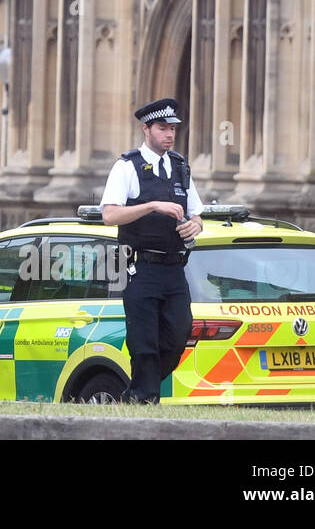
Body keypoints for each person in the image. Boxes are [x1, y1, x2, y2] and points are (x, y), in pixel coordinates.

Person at [100, 98, 204, 403]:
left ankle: (136, 391)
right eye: (162, 128)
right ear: (146, 130)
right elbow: (110, 215)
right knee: (144, 342)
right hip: (140, 268)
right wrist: (151, 206)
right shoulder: (127, 167)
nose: (169, 134)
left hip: (174, 268)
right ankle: (145, 400)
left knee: (177, 335)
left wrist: (195, 225)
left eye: (172, 128)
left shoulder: (180, 167)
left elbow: (197, 213)